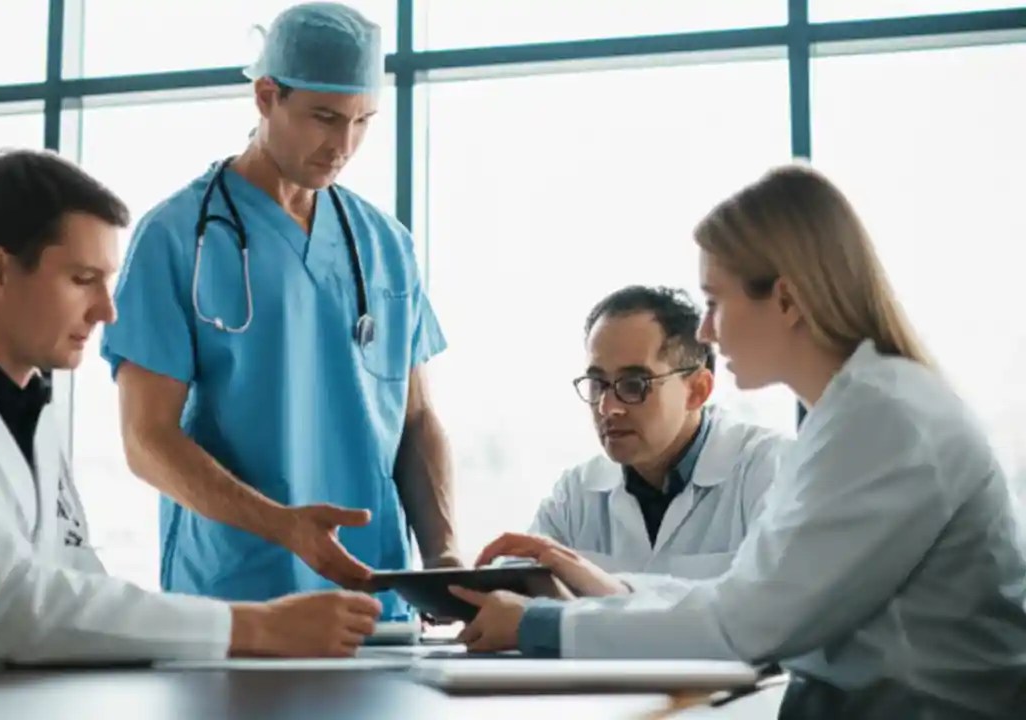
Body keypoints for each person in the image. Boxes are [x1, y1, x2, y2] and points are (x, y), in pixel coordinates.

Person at [0, 149, 382, 670]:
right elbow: (10, 606)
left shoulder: (28, 417)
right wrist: (257, 627)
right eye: (83, 280)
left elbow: (81, 591)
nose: (107, 310)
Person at [450, 164, 1026, 718]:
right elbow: (746, 595)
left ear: (786, 300)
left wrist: (537, 624)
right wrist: (611, 588)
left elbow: (744, 624)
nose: (705, 330)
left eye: (714, 302)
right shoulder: (855, 413)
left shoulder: (884, 420)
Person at [101, 2, 457, 621]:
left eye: (363, 121)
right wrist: (283, 526)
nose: (343, 145)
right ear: (266, 96)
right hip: (237, 602)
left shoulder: (385, 245)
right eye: (325, 117)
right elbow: (145, 438)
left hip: (373, 599)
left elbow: (417, 419)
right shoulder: (177, 237)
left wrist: (444, 554)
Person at [477, 286, 788, 598]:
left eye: (634, 385)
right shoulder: (576, 494)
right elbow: (519, 584)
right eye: (598, 384)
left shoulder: (769, 471)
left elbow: (770, 610)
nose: (607, 407)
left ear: (697, 391)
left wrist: (600, 594)